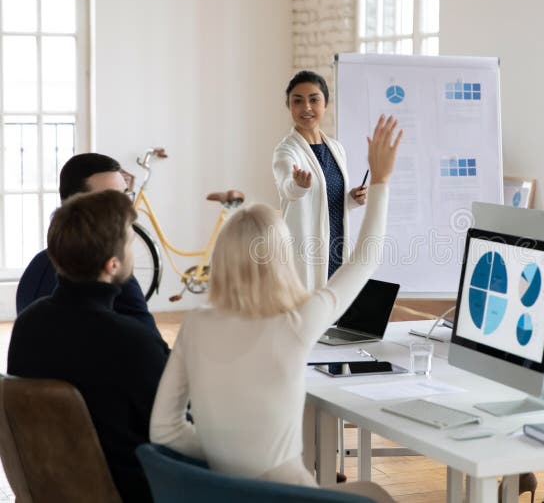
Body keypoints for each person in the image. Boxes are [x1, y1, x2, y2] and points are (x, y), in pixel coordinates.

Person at [149, 116, 402, 502]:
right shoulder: (297, 322)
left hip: (221, 492)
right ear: (282, 257)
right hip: (286, 494)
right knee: (377, 495)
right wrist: (381, 180)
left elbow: (164, 432)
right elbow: (365, 259)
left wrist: (228, 457)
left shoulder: (195, 325)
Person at [8, 191, 170, 502]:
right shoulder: (132, 341)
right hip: (127, 492)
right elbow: (169, 430)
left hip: (47, 489)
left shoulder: (27, 326)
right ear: (112, 264)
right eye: (129, 243)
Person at [16, 153, 156, 330]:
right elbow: (155, 352)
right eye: (111, 200)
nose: (126, 209)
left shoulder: (36, 268)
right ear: (77, 208)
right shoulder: (113, 278)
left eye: (126, 195)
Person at [272, 70, 368, 290]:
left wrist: (352, 199)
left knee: (333, 313)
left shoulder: (336, 148)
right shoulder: (286, 151)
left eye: (314, 100)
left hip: (336, 248)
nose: (306, 107)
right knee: (308, 316)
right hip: (305, 254)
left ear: (325, 105)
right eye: (298, 101)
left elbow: (328, 200)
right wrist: (299, 185)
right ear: (289, 106)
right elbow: (288, 189)